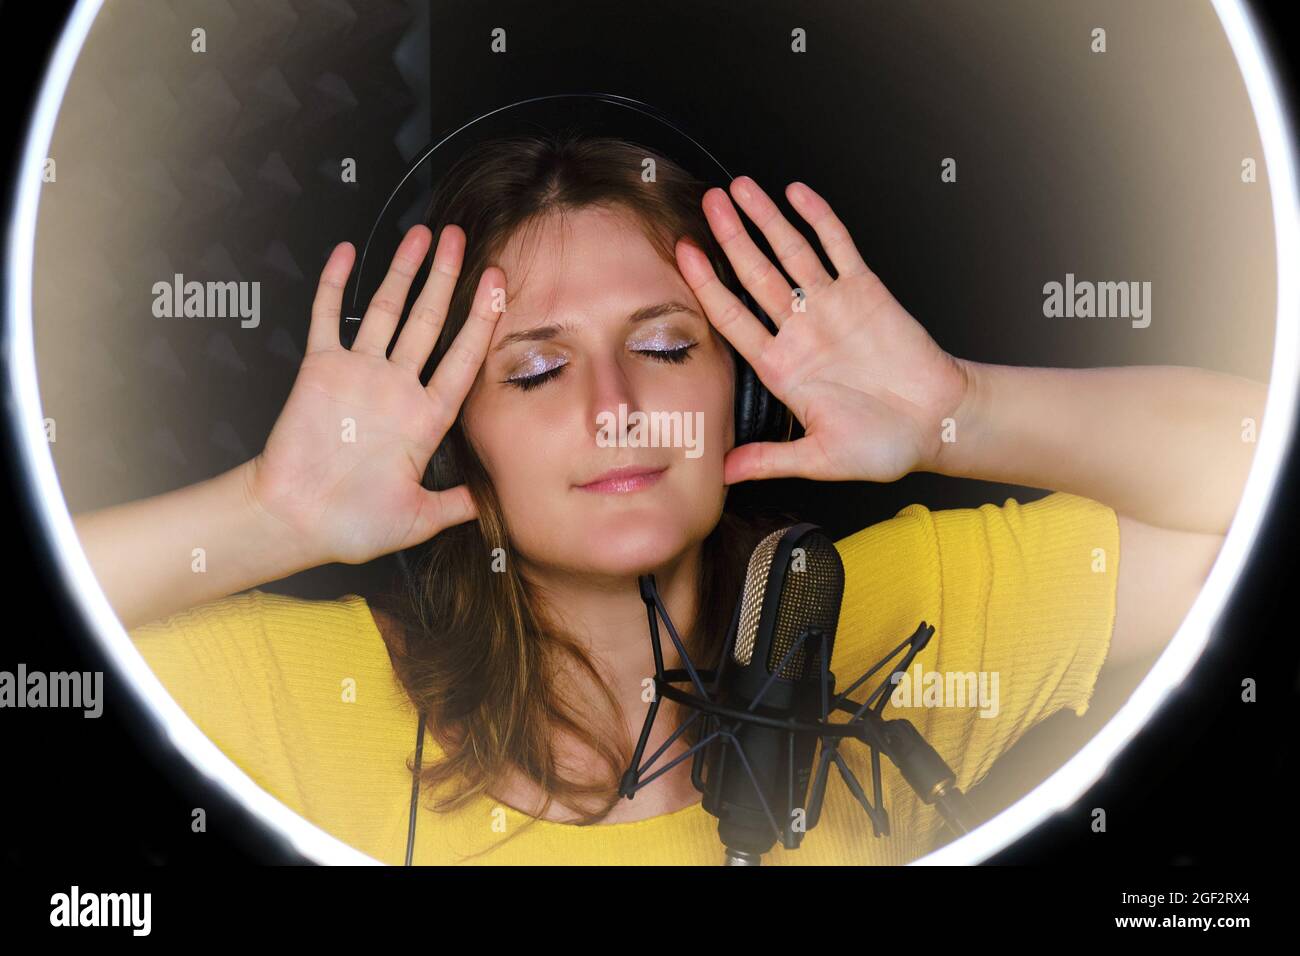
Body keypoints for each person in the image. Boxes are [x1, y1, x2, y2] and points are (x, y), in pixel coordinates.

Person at [75, 130, 1264, 865]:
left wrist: (963, 413)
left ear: (739, 398)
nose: (611, 406)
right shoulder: (304, 696)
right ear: (453, 449)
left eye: (663, 346)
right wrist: (267, 514)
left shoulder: (897, 620)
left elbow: (1260, 479)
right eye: (534, 370)